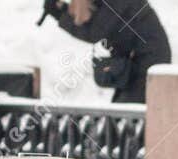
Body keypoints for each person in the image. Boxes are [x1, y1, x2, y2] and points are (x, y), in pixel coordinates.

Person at [43, 0, 171, 104]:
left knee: (125, 116)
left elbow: (96, 32)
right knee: (122, 116)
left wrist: (60, 14)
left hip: (147, 65)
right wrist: (61, 12)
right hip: (134, 64)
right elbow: (95, 28)